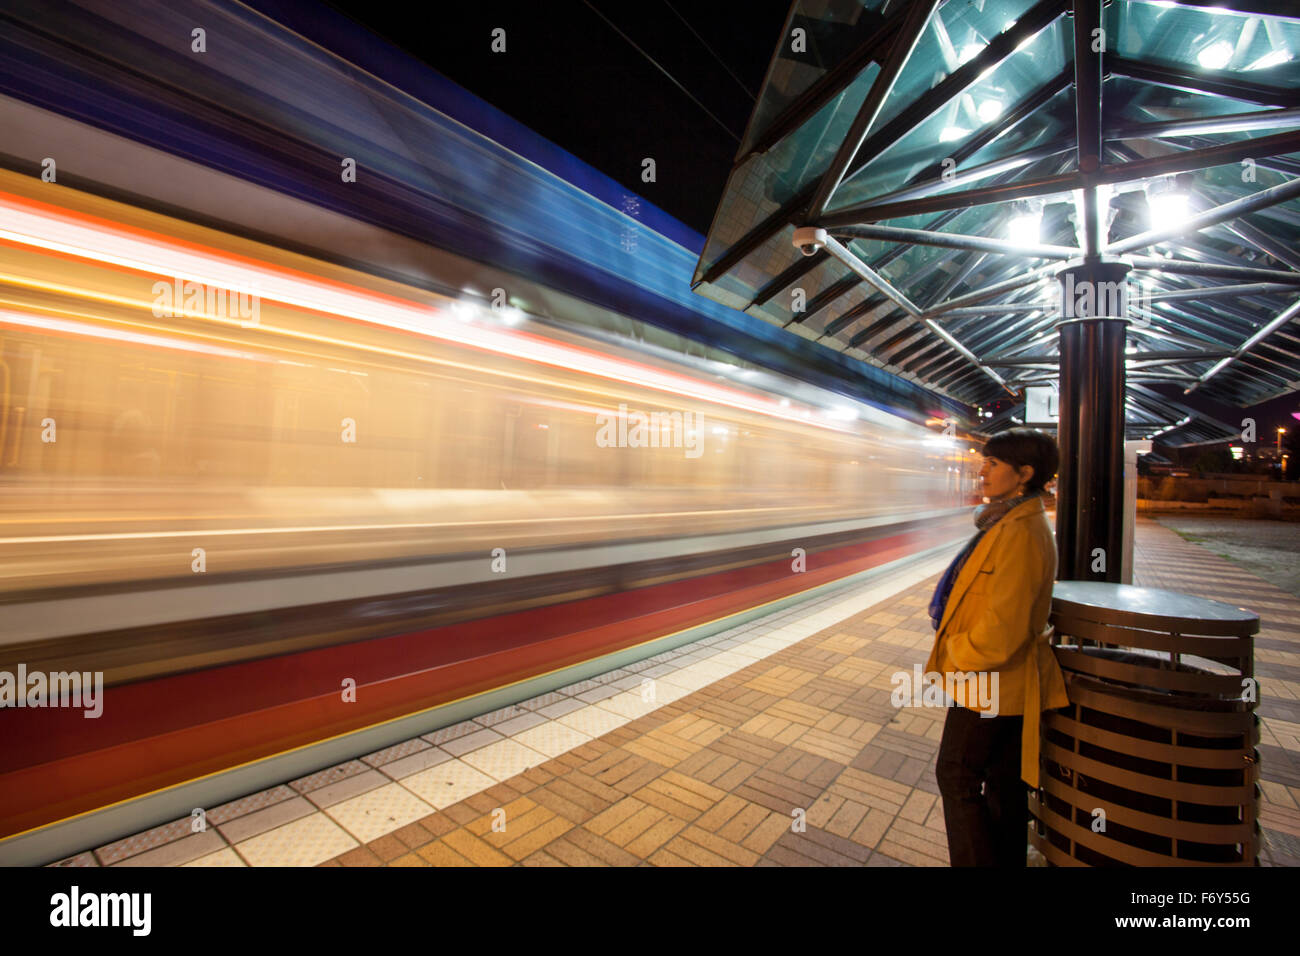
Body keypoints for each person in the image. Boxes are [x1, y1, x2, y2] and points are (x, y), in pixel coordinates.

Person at [926, 427, 1069, 867]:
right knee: (1004, 783)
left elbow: (1002, 633)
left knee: (956, 775)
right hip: (997, 682)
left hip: (990, 683)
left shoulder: (1022, 534)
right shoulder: (1006, 520)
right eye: (984, 461)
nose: (982, 470)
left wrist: (954, 654)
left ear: (1024, 474)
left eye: (993, 464)